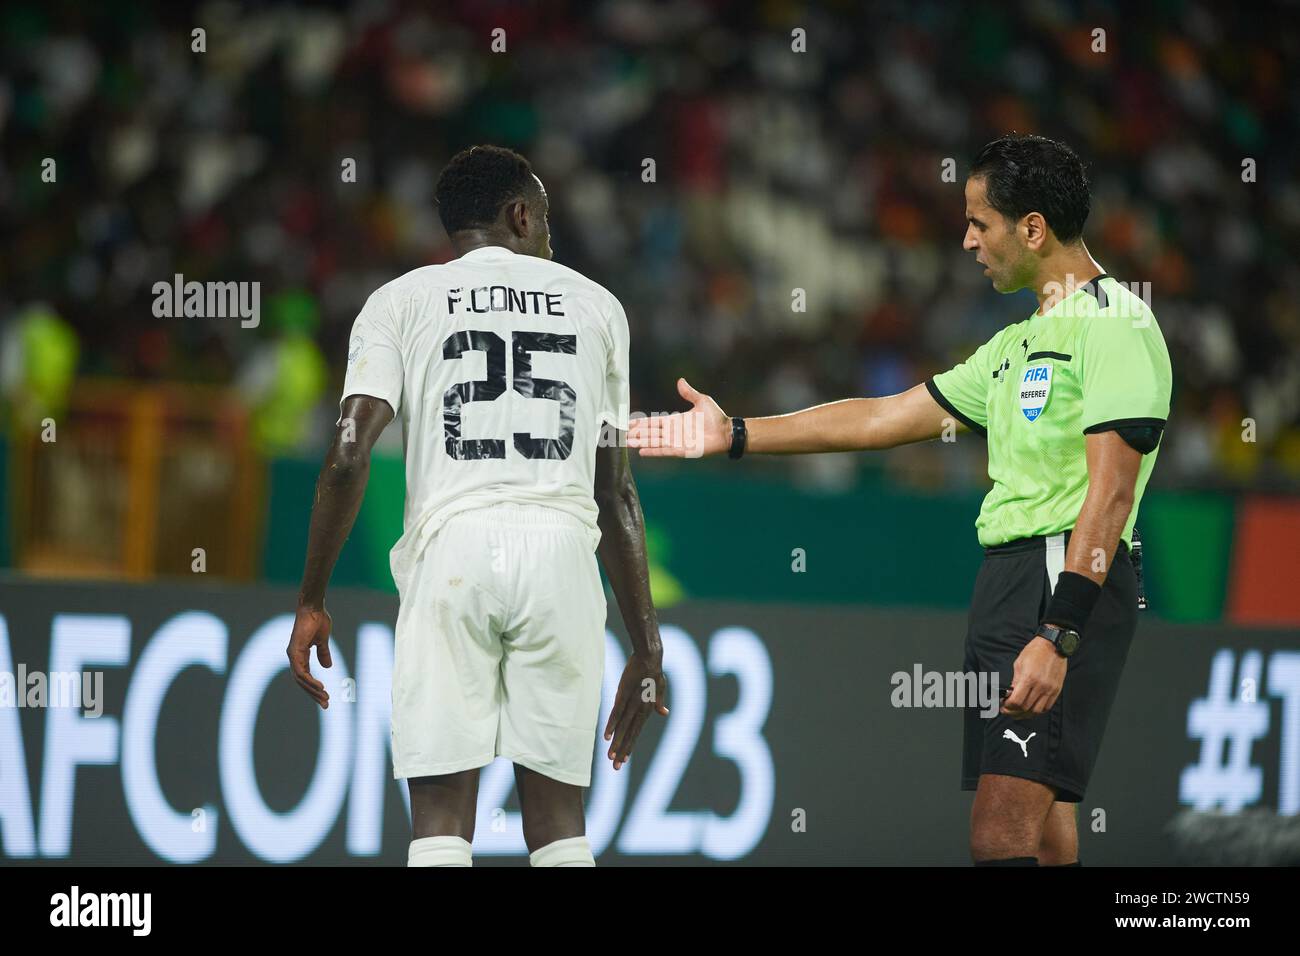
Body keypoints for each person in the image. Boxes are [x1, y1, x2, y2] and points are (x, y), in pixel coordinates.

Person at [628, 134, 1171, 866]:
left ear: (1033, 228)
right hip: (1011, 582)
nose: (967, 239)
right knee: (1042, 827)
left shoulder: (1114, 326)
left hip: (1060, 582)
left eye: (981, 222)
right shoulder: (1016, 345)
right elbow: (883, 417)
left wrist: (1059, 634)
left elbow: (1110, 497)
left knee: (998, 835)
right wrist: (737, 434)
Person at [287, 145, 667, 867]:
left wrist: (312, 598)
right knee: (559, 822)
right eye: (547, 219)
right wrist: (646, 642)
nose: (551, 236)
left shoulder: (398, 302)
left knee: (438, 823)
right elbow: (614, 488)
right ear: (521, 215)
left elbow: (347, 452)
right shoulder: (599, 308)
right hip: (561, 552)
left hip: (451, 548)